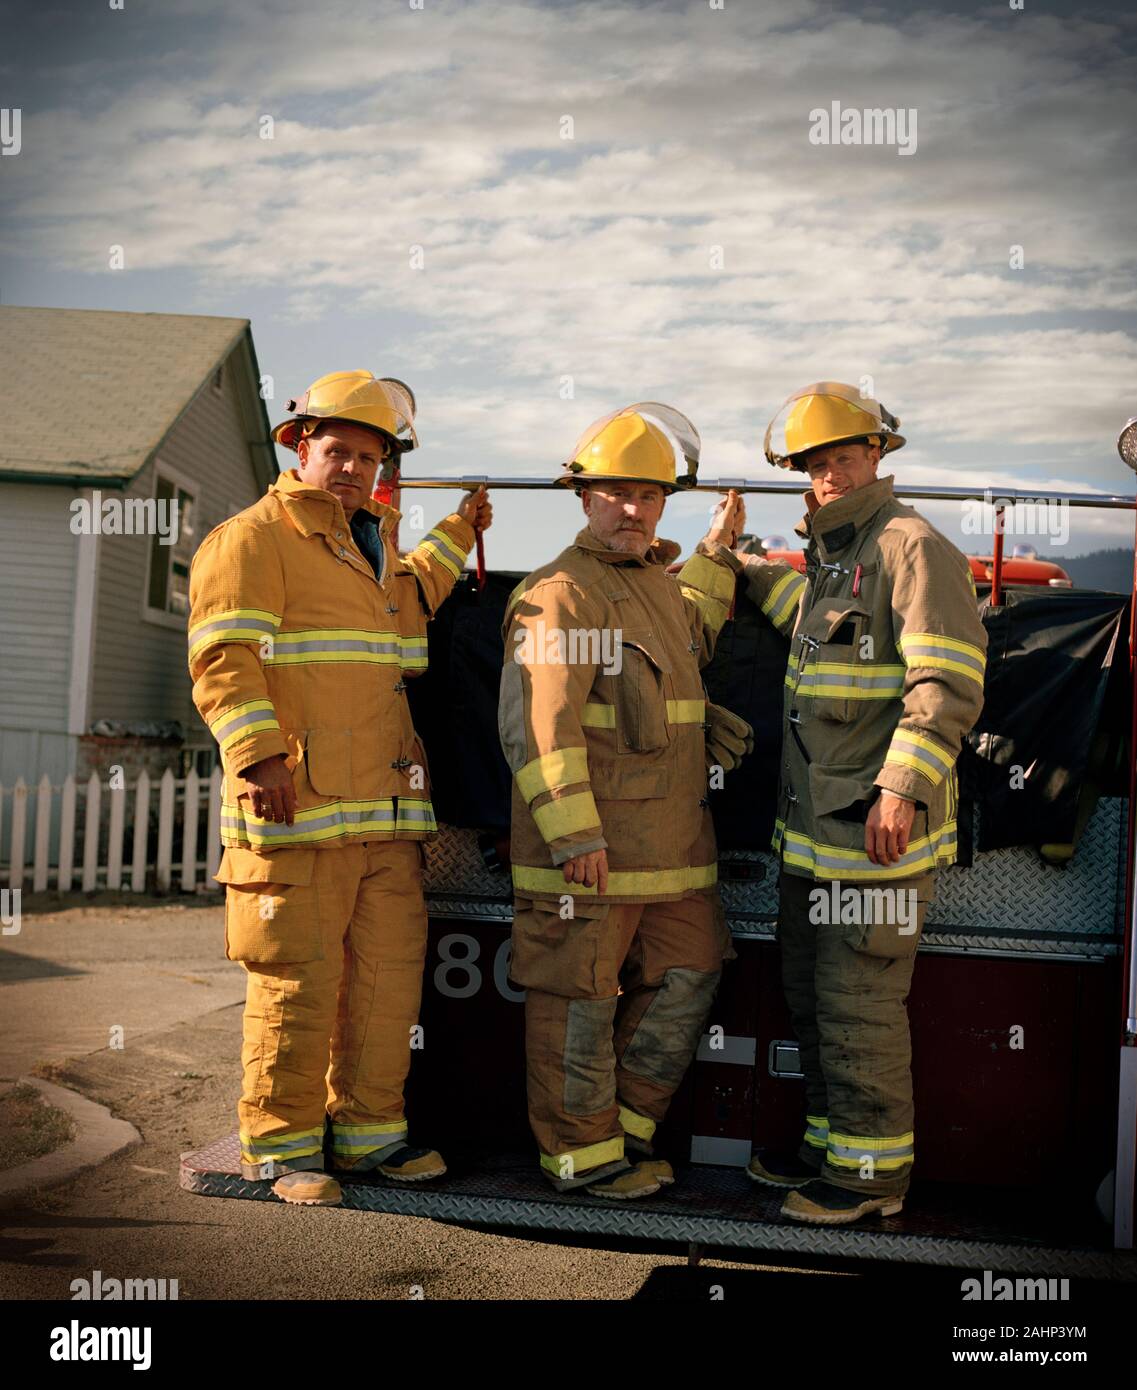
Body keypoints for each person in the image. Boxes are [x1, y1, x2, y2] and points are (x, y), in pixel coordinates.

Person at [188, 370, 492, 1206]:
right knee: (299, 985)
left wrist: (461, 531)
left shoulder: (376, 544)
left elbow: (414, 596)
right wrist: (257, 759)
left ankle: (368, 1138)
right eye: (339, 450)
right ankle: (281, 1151)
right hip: (297, 813)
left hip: (386, 821)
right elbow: (221, 659)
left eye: (370, 456)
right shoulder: (252, 539)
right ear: (299, 446)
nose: (354, 468)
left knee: (387, 986)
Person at [740, 381, 987, 1224]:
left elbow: (946, 681)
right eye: (813, 464)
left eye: (842, 456)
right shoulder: (832, 556)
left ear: (876, 454)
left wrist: (899, 786)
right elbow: (812, 629)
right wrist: (734, 563)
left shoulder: (910, 547)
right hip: (812, 836)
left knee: (858, 1004)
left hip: (873, 833)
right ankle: (828, 1145)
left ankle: (870, 1179)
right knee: (810, 995)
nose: (828, 474)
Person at [499, 402, 752, 1198]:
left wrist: (715, 554)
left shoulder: (659, 591)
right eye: (613, 493)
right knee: (578, 1002)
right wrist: (575, 838)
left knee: (689, 978)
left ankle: (626, 1131)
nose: (632, 509)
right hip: (590, 857)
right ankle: (580, 1157)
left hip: (674, 856)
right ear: (581, 498)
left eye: (648, 495)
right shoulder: (560, 595)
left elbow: (695, 632)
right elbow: (538, 730)